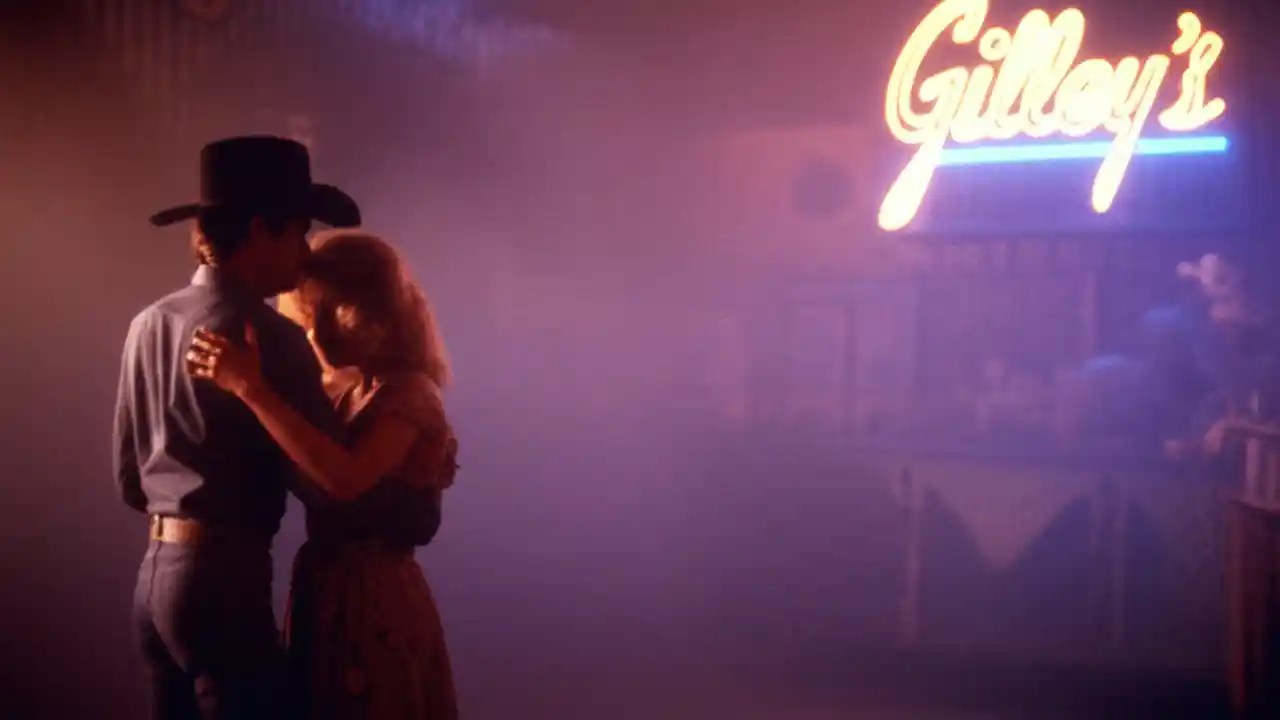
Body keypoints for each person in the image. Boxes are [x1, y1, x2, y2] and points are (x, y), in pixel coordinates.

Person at [114, 135, 361, 719]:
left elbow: (129, 481)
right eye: (299, 230)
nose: (305, 251)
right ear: (258, 230)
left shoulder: (147, 323)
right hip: (225, 581)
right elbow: (324, 484)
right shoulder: (272, 338)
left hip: (153, 578)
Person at [185, 230, 460, 720]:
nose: (317, 333)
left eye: (335, 311)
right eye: (310, 315)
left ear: (378, 313)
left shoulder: (410, 393)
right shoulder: (349, 393)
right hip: (325, 590)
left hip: (376, 600)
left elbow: (346, 480)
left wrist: (251, 390)